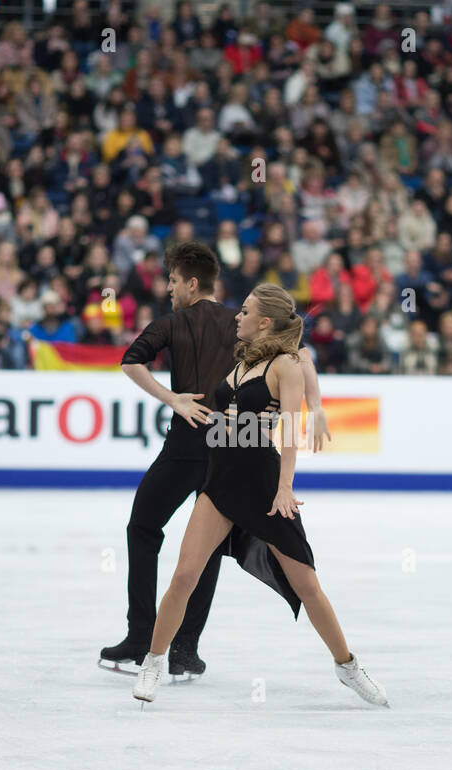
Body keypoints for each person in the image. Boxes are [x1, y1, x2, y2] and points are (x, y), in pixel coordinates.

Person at [131, 283, 387, 707]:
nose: (237, 316)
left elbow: (289, 426)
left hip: (264, 486)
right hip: (220, 481)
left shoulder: (286, 363)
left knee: (307, 584)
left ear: (264, 321)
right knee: (184, 576)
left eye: (245, 311)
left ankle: (347, 666)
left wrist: (286, 485)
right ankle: (154, 661)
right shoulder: (243, 358)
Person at [101, 242, 329, 678]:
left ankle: (140, 638)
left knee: (144, 527)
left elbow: (130, 362)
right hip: (229, 450)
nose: (168, 289)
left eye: (172, 281)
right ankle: (185, 649)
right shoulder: (239, 322)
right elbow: (300, 356)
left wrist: (173, 400)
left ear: (190, 282)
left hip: (187, 447)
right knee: (207, 551)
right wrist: (315, 408)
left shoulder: (175, 322)